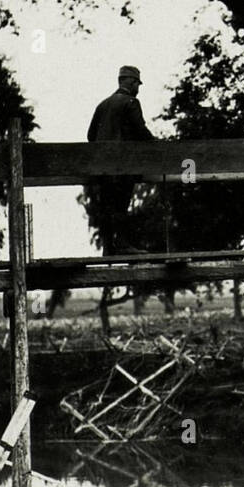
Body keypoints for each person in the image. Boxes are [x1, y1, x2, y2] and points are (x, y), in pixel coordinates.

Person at [86, 65, 157, 333]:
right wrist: (157, 148)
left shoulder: (103, 105)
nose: (138, 87)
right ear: (128, 82)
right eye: (137, 82)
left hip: (103, 169)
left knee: (109, 207)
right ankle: (122, 246)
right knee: (121, 207)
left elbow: (91, 135)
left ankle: (109, 247)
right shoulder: (130, 103)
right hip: (122, 166)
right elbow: (140, 131)